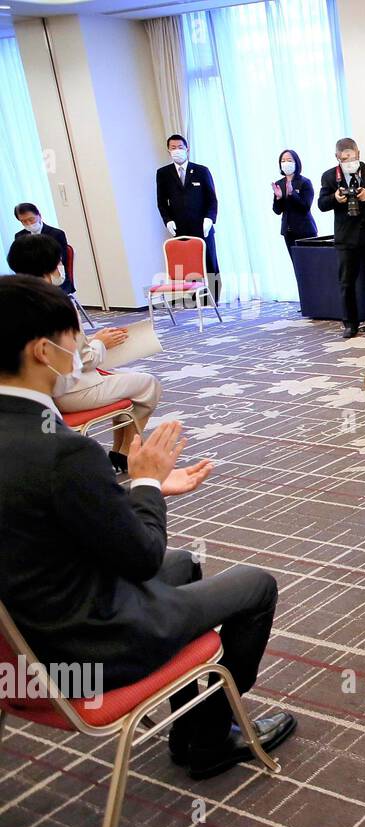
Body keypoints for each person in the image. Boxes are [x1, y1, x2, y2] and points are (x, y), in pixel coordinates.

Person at [0, 275, 295, 779]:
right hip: (85, 650)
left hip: (20, 647)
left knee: (183, 565)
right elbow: (140, 556)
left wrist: (145, 491)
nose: (80, 346)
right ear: (42, 351)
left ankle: (192, 725)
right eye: (73, 336)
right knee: (255, 586)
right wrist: (146, 483)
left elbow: (49, 516)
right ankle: (208, 739)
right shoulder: (63, 451)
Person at [6, 235, 161, 469]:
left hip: (30, 391)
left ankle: (120, 451)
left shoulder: (11, 301)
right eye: (59, 262)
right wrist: (101, 344)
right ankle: (126, 450)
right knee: (148, 384)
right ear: (52, 265)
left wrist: (93, 341)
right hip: (69, 389)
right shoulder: (57, 303)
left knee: (126, 381)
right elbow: (81, 359)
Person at [318, 137, 365, 338]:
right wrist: (335, 198)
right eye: (344, 159)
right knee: (346, 283)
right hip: (346, 237)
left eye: (352, 157)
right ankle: (350, 323)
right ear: (337, 157)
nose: (349, 162)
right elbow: (321, 204)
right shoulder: (329, 176)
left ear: (358, 154)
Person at [155, 134, 221, 303]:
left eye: (180, 147)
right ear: (168, 150)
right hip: (180, 227)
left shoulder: (201, 170)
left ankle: (214, 298)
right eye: (173, 148)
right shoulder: (163, 174)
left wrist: (209, 219)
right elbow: (161, 202)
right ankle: (194, 299)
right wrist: (168, 220)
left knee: (209, 261)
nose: (177, 151)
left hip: (202, 226)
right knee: (188, 264)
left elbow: (212, 199)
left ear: (187, 149)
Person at [12, 203, 74, 295]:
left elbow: (61, 259)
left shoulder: (56, 234)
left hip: (54, 276)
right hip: (31, 278)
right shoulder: (19, 236)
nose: (29, 224)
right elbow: (18, 261)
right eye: (24, 221)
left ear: (39, 215)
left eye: (31, 219)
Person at [272, 149, 317, 256]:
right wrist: (278, 198)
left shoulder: (305, 182)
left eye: (289, 160)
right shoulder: (279, 183)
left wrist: (292, 193)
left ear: (296, 162)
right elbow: (277, 211)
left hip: (305, 231)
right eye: (283, 161)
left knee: (310, 262)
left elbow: (305, 207)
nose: (286, 163)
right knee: (296, 263)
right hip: (288, 232)